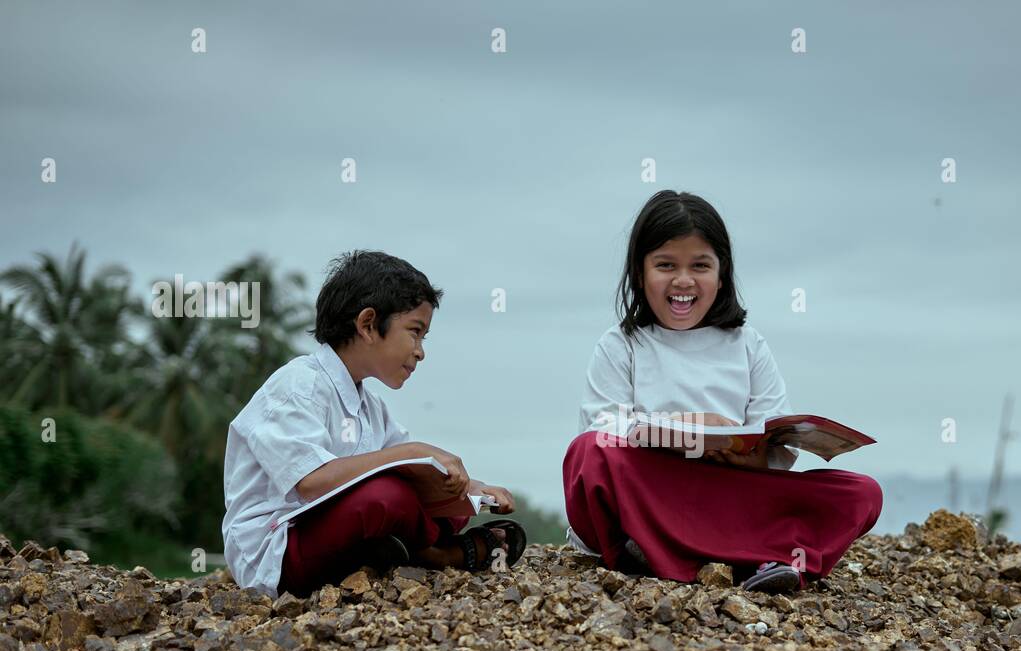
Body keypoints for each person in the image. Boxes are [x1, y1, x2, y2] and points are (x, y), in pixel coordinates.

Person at [563, 190, 883, 593]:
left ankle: (698, 556)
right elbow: (603, 427)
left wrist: (742, 453)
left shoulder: (747, 344)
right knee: (589, 452)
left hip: (727, 495)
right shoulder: (623, 343)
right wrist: (683, 430)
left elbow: (778, 450)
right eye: (665, 265)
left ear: (721, 272)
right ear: (640, 273)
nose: (683, 280)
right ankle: (743, 557)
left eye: (700, 265)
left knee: (861, 493)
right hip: (654, 495)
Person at [222, 250, 525, 598]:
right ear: (367, 324)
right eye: (415, 332)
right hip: (280, 555)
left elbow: (417, 472)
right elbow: (311, 482)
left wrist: (473, 487)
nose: (420, 351)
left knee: (442, 494)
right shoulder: (297, 386)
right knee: (386, 497)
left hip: (340, 540)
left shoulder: (369, 404)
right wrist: (411, 452)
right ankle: (439, 555)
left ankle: (409, 549)